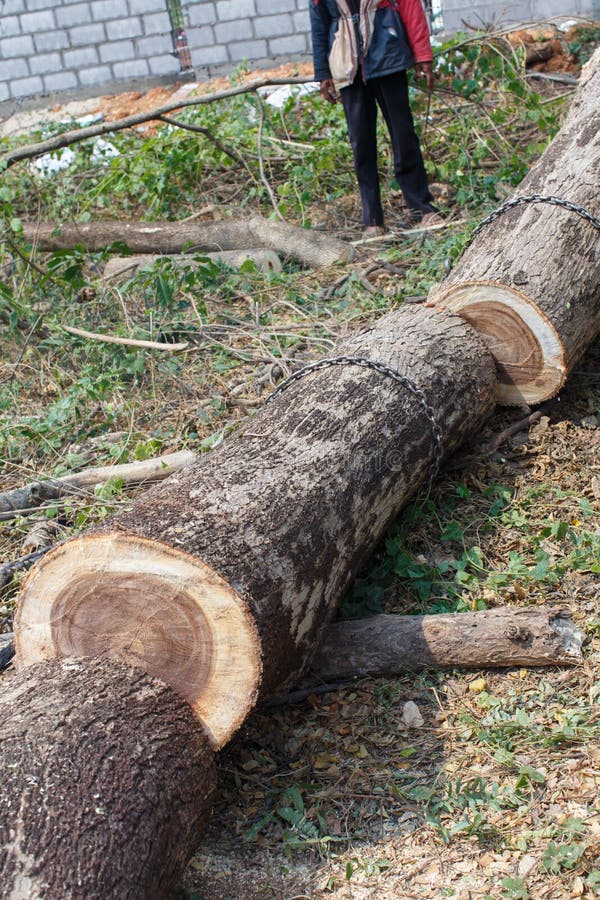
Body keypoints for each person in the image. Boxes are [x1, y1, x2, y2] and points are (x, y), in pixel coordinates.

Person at [309, 0, 441, 236]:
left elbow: (410, 6)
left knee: (403, 134)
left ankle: (422, 208)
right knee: (361, 143)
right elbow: (319, 22)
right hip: (346, 62)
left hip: (387, 54)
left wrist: (422, 53)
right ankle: (373, 220)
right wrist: (323, 73)